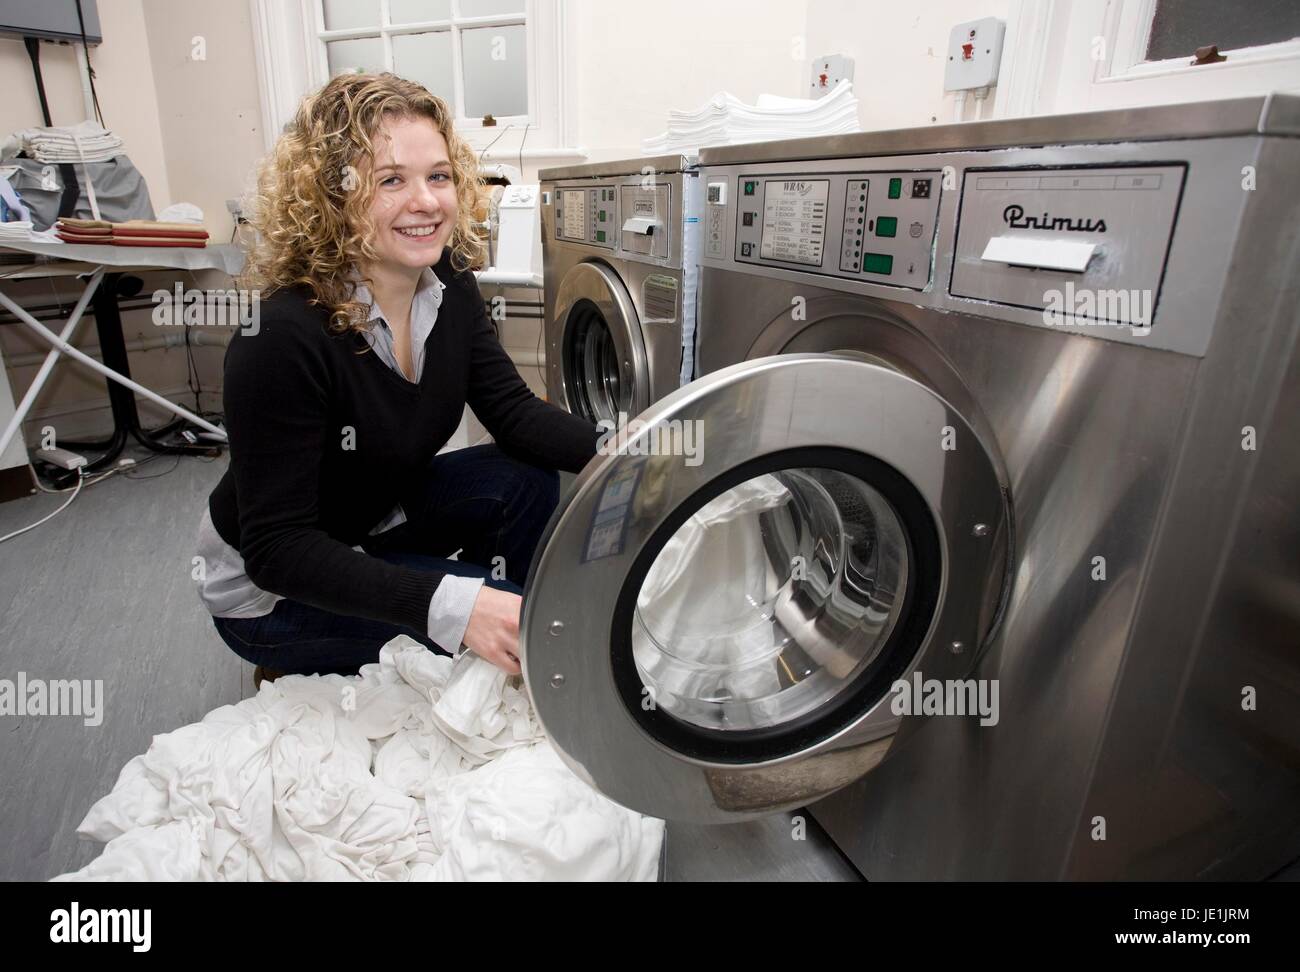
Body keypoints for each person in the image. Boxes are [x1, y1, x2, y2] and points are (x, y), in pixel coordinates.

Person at [193, 73, 598, 679]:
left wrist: (631, 450)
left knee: (525, 480)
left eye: (438, 176)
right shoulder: (280, 338)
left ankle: (496, 628)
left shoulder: (449, 281)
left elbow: (513, 414)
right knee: (487, 615)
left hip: (367, 517)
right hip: (270, 592)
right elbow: (277, 551)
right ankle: (310, 653)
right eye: (390, 180)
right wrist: (457, 606)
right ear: (331, 197)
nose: (427, 202)